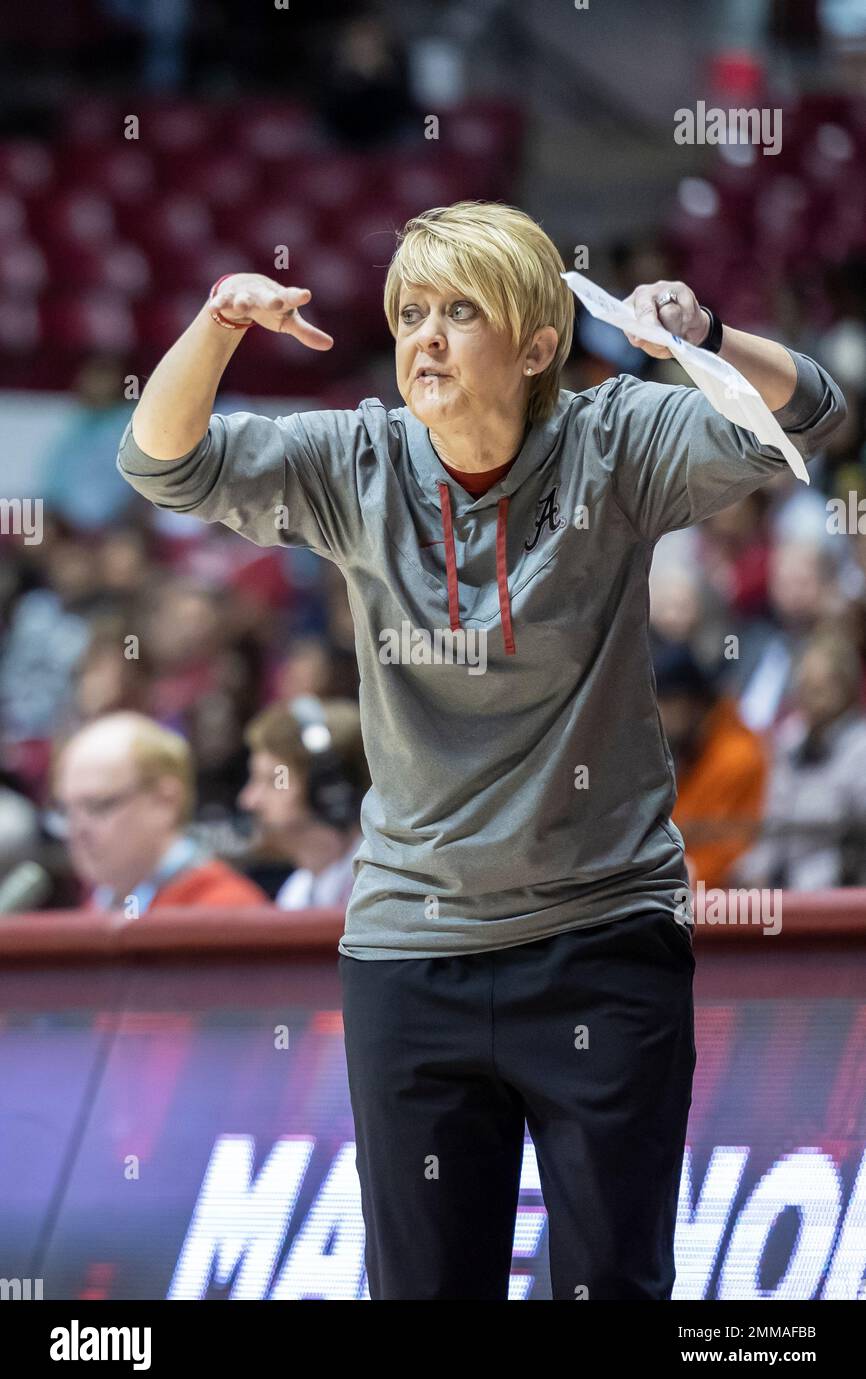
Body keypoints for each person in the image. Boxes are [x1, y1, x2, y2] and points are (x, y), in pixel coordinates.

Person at [116, 202, 845, 1300]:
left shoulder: (613, 442)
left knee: (613, 1284)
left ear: (539, 344)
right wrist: (219, 321)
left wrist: (701, 336)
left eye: (461, 311)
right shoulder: (352, 459)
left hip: (601, 942)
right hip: (412, 955)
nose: (426, 337)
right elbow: (161, 463)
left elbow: (808, 412)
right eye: (411, 311)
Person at [54, 712, 267, 912]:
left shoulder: (227, 911)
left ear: (165, 801)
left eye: (98, 806)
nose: (77, 829)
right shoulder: (96, 910)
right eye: (66, 811)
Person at [735, 631, 866, 889]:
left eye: (820, 688)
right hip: (785, 884)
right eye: (804, 686)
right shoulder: (788, 740)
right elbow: (774, 820)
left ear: (847, 689)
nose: (810, 697)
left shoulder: (861, 748)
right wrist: (753, 870)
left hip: (842, 889)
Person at [653, 640, 767, 890]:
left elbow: (726, 852)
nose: (659, 714)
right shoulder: (685, 748)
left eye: (667, 702)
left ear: (694, 702)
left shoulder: (737, 756)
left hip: (726, 905)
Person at [239, 697, 367, 909]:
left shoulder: (386, 888)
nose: (248, 801)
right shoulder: (294, 892)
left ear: (329, 791)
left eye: (271, 780)